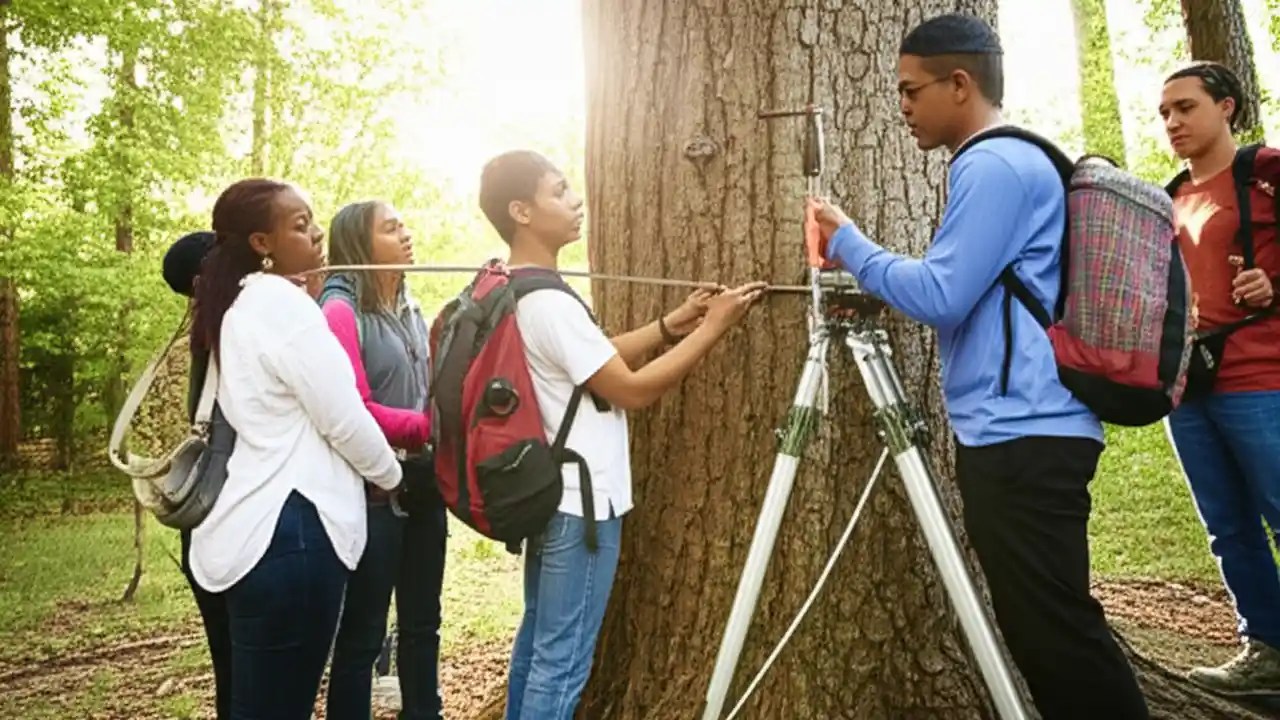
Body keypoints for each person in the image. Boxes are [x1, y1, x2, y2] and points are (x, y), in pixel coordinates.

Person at [806, 14, 1148, 719]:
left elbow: (942, 294)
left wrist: (850, 245)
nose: (902, 108)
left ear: (959, 84)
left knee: (1056, 635)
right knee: (1050, 628)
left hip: (1023, 432)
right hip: (1030, 425)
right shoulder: (1011, 161)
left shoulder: (993, 165)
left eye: (910, 91)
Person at [476, 150, 765, 720]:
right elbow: (629, 390)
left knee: (538, 648)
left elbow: (593, 359)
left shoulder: (519, 289)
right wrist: (712, 329)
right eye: (559, 192)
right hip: (580, 504)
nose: (576, 201)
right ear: (521, 211)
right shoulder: (549, 304)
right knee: (561, 662)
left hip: (550, 496)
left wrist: (669, 325)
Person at [188, 178, 403, 719]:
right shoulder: (282, 307)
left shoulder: (239, 307)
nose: (316, 236)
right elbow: (343, 416)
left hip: (253, 539)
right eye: (300, 226)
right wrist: (393, 475)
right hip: (293, 536)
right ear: (262, 243)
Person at [1159, 60, 1280, 694]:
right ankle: (1267, 652)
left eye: (1186, 107)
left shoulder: (1266, 172)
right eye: (1165, 114)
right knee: (1227, 525)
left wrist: (1275, 281)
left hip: (1263, 377)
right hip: (1188, 385)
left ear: (1226, 107)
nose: (1173, 122)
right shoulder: (1171, 195)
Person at [320, 201, 447, 719]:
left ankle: (425, 713)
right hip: (370, 493)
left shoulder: (411, 308)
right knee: (363, 633)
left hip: (423, 484)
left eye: (404, 224)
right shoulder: (338, 312)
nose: (406, 234)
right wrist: (431, 430)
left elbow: (430, 387)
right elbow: (355, 408)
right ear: (359, 244)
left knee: (422, 623)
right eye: (391, 228)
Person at [161, 230, 232, 719]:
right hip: (224, 519)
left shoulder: (209, 333)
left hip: (209, 522)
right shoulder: (230, 329)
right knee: (239, 667)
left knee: (231, 666)